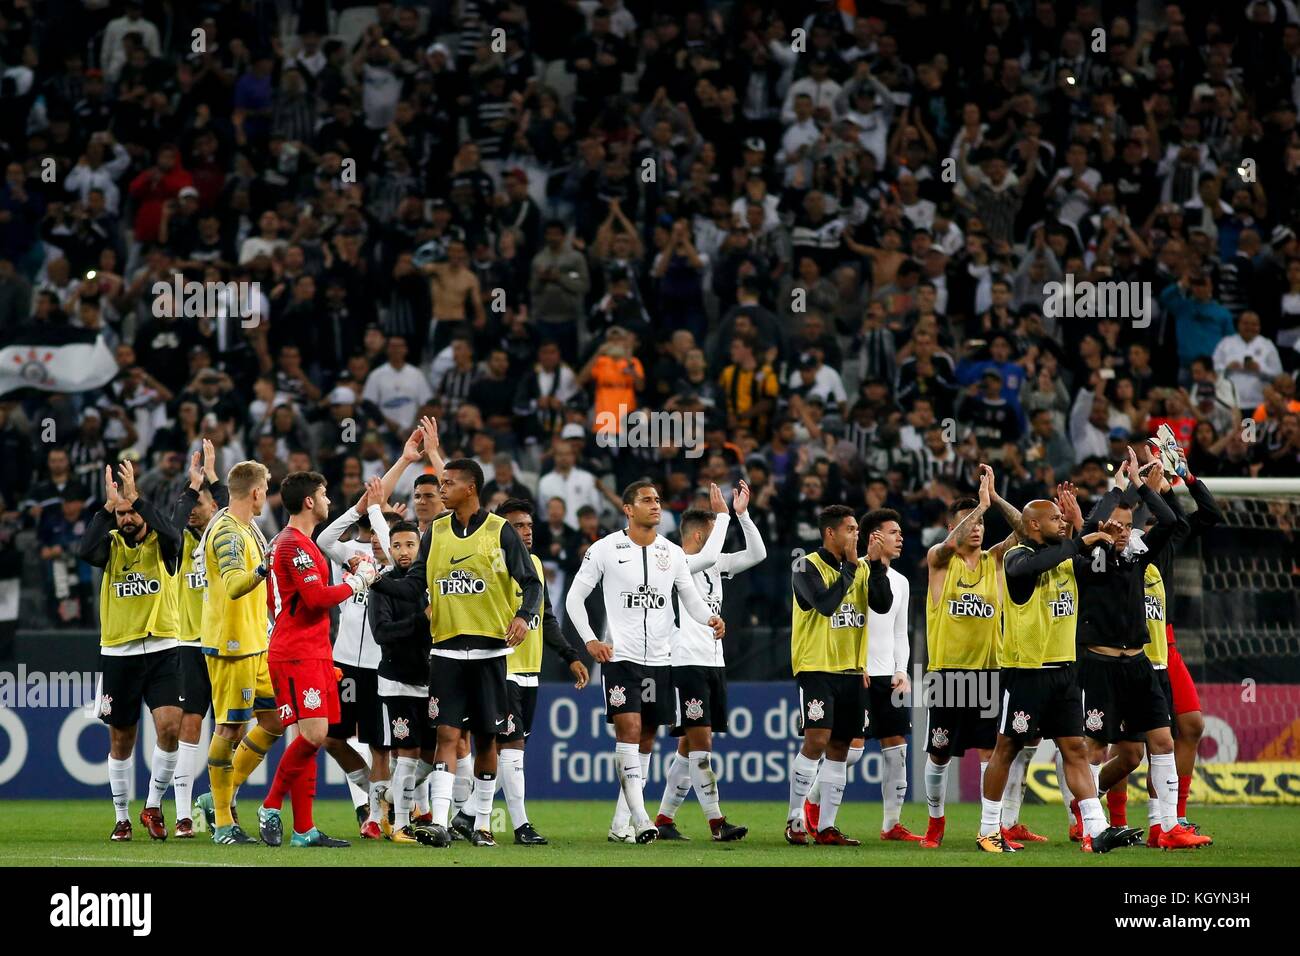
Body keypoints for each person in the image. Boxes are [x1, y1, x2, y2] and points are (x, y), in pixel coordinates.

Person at [368, 417, 544, 848]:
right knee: (446, 735)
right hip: (444, 653)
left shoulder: (499, 532)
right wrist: (376, 581)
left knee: (487, 739)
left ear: (470, 488)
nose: (440, 488)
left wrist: (523, 616)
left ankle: (482, 823)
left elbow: (533, 583)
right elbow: (415, 584)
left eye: (447, 483)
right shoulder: (438, 533)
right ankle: (443, 824)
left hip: (488, 653)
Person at [564, 479, 726, 845]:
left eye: (658, 499)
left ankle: (620, 823)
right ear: (628, 509)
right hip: (621, 656)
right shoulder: (605, 548)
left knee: (648, 737)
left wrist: (709, 619)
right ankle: (640, 819)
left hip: (660, 660)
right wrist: (590, 639)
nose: (656, 505)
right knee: (631, 731)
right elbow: (575, 597)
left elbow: (690, 597)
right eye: (647, 500)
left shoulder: (671, 553)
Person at [1065, 447, 1211, 850]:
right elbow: (1092, 526)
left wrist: (1145, 488)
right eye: (1115, 525)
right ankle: (1091, 826)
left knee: (1162, 742)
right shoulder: (1088, 557)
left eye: (1127, 526)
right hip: (1100, 667)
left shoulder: (1138, 557)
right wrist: (1116, 490)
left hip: (1140, 665)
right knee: (1096, 748)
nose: (1122, 531)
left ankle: (1168, 828)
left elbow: (1171, 520)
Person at [981, 489, 1140, 853]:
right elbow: (1034, 566)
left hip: (1064, 673)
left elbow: (1096, 567)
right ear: (1033, 524)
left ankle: (1094, 829)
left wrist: (1109, 539)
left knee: (1075, 750)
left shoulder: (1067, 560)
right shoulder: (1017, 557)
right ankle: (989, 830)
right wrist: (1082, 538)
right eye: (1055, 518)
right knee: (1006, 748)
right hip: (1026, 672)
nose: (1062, 522)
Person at [257, 471, 377, 848]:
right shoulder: (293, 545)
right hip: (297, 654)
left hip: (309, 652)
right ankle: (270, 806)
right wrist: (359, 581)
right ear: (309, 501)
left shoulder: (292, 542)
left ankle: (304, 829)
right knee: (314, 735)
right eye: (324, 494)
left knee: (311, 738)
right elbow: (315, 600)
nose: (328, 499)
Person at [919, 465, 1032, 849]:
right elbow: (946, 546)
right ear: (956, 527)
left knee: (992, 751)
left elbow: (1026, 529)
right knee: (939, 753)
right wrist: (977, 509)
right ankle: (935, 823)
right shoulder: (940, 561)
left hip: (989, 673)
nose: (978, 528)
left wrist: (995, 500)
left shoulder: (995, 561)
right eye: (970, 522)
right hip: (947, 674)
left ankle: (991, 828)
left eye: (981, 523)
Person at [654, 480, 765, 842]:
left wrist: (742, 516)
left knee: (688, 746)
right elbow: (707, 553)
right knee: (701, 743)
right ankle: (717, 823)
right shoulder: (676, 561)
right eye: (714, 532)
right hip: (685, 663)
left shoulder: (715, 567)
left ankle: (664, 819)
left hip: (713, 663)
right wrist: (723, 516)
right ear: (700, 535)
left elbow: (757, 554)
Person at [78, 462, 183, 841]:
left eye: (131, 512)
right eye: (120, 514)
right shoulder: (109, 546)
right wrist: (106, 507)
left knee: (170, 728)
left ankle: (153, 805)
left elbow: (174, 533)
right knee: (122, 738)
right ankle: (121, 815)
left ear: (143, 510)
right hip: (119, 652)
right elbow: (84, 551)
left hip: (163, 647)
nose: (126, 519)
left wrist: (137, 496)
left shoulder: (163, 545)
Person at [803, 507, 921, 842]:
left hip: (890, 676)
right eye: (893, 532)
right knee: (851, 751)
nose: (900, 538)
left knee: (897, 750)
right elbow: (853, 623)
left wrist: (901, 669)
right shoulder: (855, 573)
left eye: (900, 532)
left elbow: (900, 632)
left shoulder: (901, 581)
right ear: (874, 537)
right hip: (861, 672)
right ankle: (813, 802)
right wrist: (860, 665)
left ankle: (891, 825)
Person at [783, 504, 890, 846]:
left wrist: (875, 567)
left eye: (858, 529)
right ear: (831, 533)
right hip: (817, 667)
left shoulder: (859, 568)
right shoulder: (805, 566)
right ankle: (794, 820)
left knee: (841, 747)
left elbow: (882, 603)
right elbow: (826, 605)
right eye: (850, 530)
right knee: (816, 739)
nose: (856, 535)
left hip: (852, 670)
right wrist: (852, 566)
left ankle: (827, 826)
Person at [196, 461, 281, 846]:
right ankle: (224, 822)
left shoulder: (248, 528)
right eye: (266, 488)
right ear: (258, 492)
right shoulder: (228, 533)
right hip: (231, 644)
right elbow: (232, 586)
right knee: (230, 729)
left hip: (256, 642)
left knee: (276, 719)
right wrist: (265, 568)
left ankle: (219, 797)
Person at [495, 498, 589, 845]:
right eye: (518, 526)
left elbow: (545, 617)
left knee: (507, 751)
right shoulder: (491, 563)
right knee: (511, 746)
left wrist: (569, 655)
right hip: (500, 667)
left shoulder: (533, 563)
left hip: (530, 671)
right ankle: (520, 826)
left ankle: (467, 813)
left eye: (529, 526)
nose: (527, 532)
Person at [170, 439, 227, 838]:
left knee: (231, 727)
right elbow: (172, 519)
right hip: (190, 644)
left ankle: (225, 806)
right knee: (190, 725)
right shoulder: (175, 543)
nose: (192, 511)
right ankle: (184, 814)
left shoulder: (226, 538)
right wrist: (193, 486)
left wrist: (214, 476)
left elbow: (229, 510)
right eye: (189, 506)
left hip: (225, 644)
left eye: (199, 505)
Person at [369, 520, 430, 843]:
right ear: (389, 550)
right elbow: (382, 633)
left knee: (433, 755)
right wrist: (422, 620)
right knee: (407, 751)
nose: (404, 552)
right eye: (397, 546)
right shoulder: (383, 585)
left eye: (410, 545)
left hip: (430, 679)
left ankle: (391, 797)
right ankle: (402, 824)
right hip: (397, 681)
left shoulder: (430, 582)